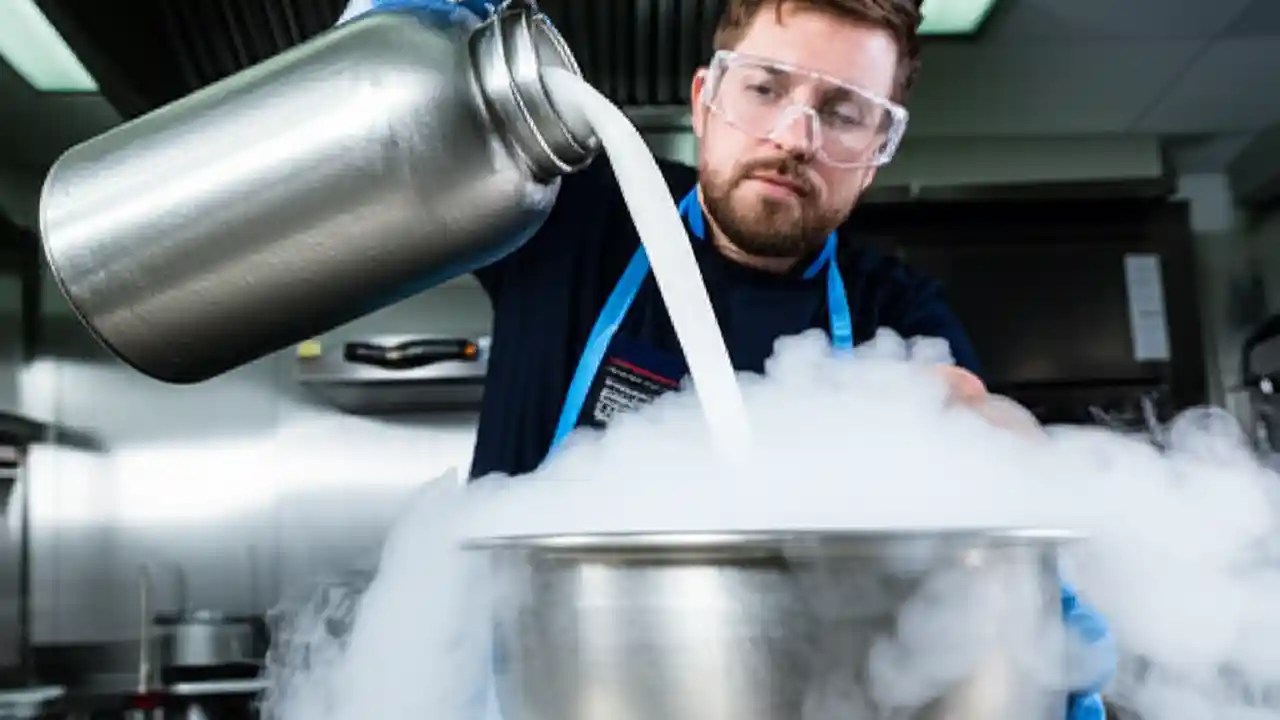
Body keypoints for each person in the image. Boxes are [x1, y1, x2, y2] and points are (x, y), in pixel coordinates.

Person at [343, 1, 1115, 717]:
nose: (794, 137)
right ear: (705, 96)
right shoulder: (575, 212)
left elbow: (979, 432)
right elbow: (394, 113)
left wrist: (1002, 476)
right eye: (765, 88)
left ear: (878, 152)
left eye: (844, 113)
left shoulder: (896, 311)